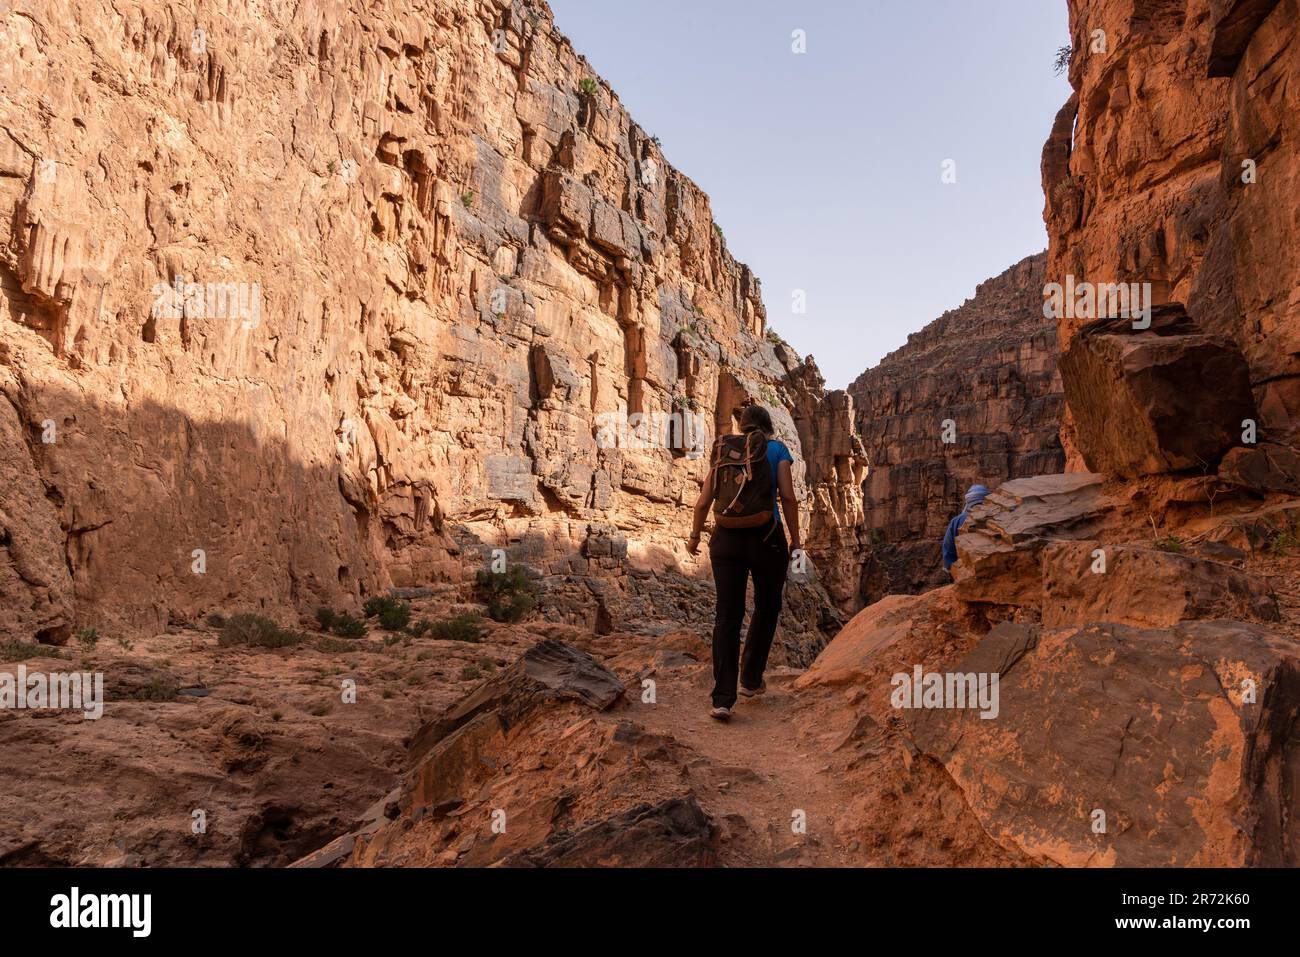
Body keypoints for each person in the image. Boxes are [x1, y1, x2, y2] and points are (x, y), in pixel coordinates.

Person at [687, 405, 801, 722]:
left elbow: (703, 501)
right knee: (767, 606)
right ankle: (751, 679)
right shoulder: (777, 449)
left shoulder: (725, 449)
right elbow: (788, 497)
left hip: (726, 539)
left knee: (727, 614)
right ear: (768, 428)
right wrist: (796, 541)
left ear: (742, 426)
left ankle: (722, 699)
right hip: (767, 538)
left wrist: (695, 536)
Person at [942, 484, 990, 573]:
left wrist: (951, 570)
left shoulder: (956, 521)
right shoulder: (995, 518)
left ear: (968, 500)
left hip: (964, 572)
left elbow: (948, 549)